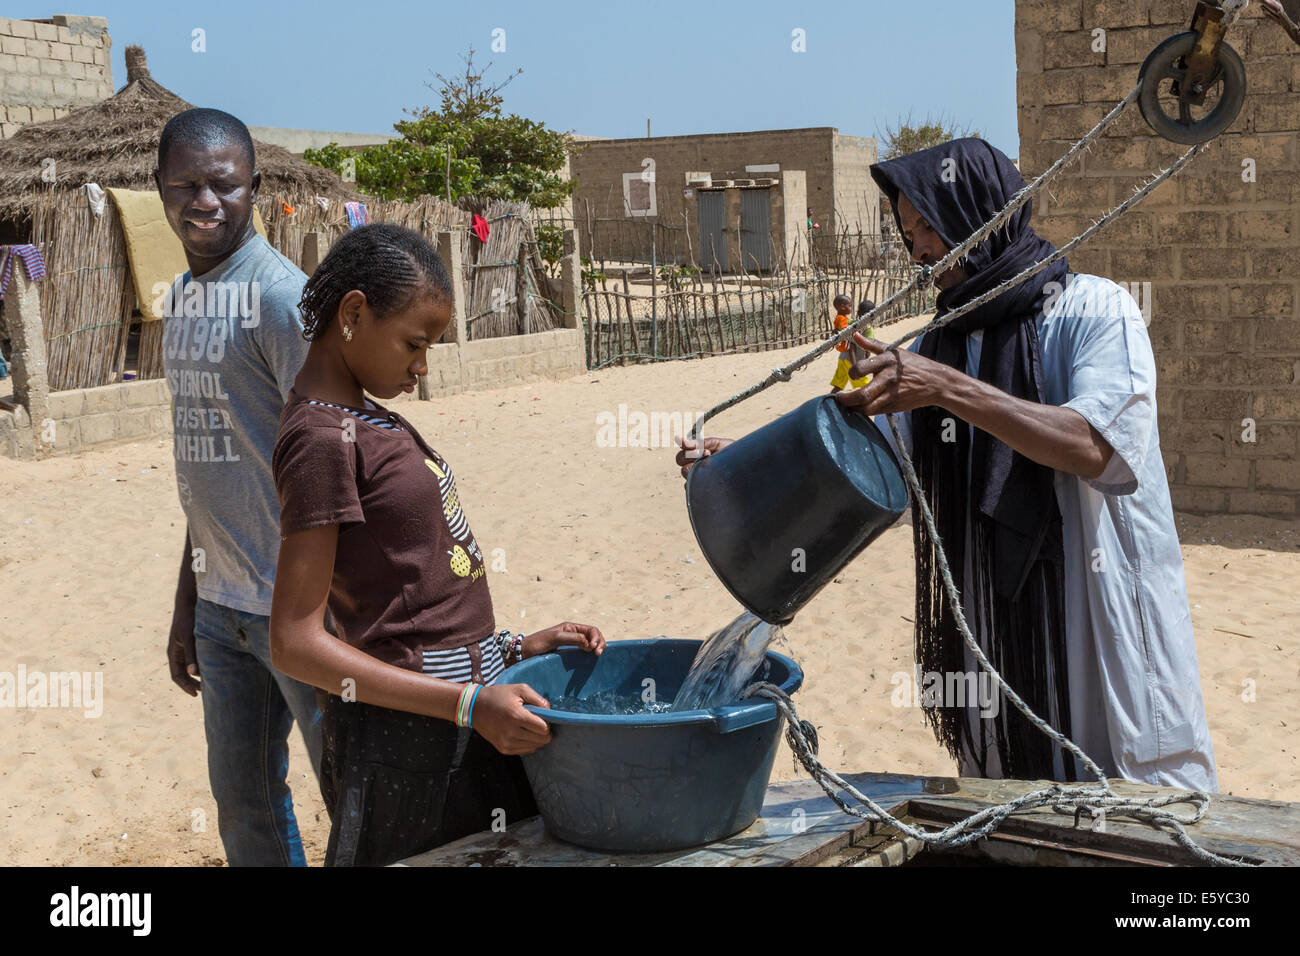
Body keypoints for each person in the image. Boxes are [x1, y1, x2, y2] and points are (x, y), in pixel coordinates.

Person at [678, 138, 1218, 794]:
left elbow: (1096, 447)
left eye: (929, 226)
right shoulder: (942, 345)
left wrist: (948, 388)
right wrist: (739, 461)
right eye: (906, 233)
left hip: (1098, 614)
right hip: (993, 624)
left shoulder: (1094, 312)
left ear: (981, 213)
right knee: (1010, 806)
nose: (918, 250)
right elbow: (879, 457)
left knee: (1136, 819)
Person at [268, 223, 605, 867]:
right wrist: (470, 703)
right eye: (414, 344)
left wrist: (511, 648)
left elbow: (408, 597)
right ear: (353, 313)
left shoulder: (365, 419)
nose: (422, 369)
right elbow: (295, 641)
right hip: (411, 756)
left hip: (464, 729)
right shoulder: (320, 440)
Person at [156, 108, 323, 866]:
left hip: (300, 610)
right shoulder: (186, 298)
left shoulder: (281, 300)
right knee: (247, 810)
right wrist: (189, 601)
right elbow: (208, 464)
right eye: (185, 184)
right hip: (223, 612)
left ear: (253, 187)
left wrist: (320, 609)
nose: (204, 201)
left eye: (222, 184)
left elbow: (335, 457)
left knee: (357, 798)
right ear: (159, 189)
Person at [828, 294, 872, 394]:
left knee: (838, 386)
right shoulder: (843, 320)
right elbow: (851, 341)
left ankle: (828, 401)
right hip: (851, 360)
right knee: (865, 386)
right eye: (850, 306)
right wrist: (854, 364)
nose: (851, 309)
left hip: (843, 358)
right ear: (842, 307)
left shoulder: (844, 320)